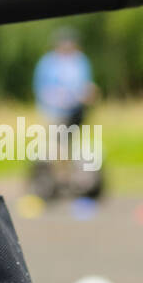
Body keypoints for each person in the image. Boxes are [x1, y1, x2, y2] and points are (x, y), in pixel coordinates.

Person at [30, 28, 101, 198]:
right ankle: (59, 180)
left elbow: (85, 85)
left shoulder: (80, 61)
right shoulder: (47, 63)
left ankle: (70, 178)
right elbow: (41, 89)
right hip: (54, 111)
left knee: (70, 145)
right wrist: (57, 97)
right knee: (58, 146)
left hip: (75, 112)